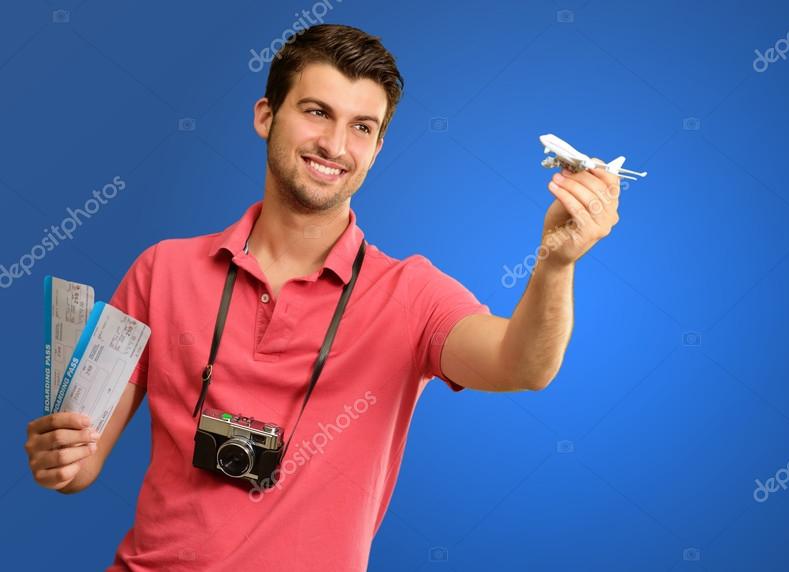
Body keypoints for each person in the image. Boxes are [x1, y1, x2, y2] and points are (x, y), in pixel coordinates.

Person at [23, 23, 622, 571]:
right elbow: (79, 462)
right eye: (317, 112)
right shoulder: (161, 270)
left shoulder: (412, 294)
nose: (335, 145)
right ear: (266, 116)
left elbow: (523, 366)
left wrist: (556, 263)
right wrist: (61, 460)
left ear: (377, 149)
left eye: (362, 127)